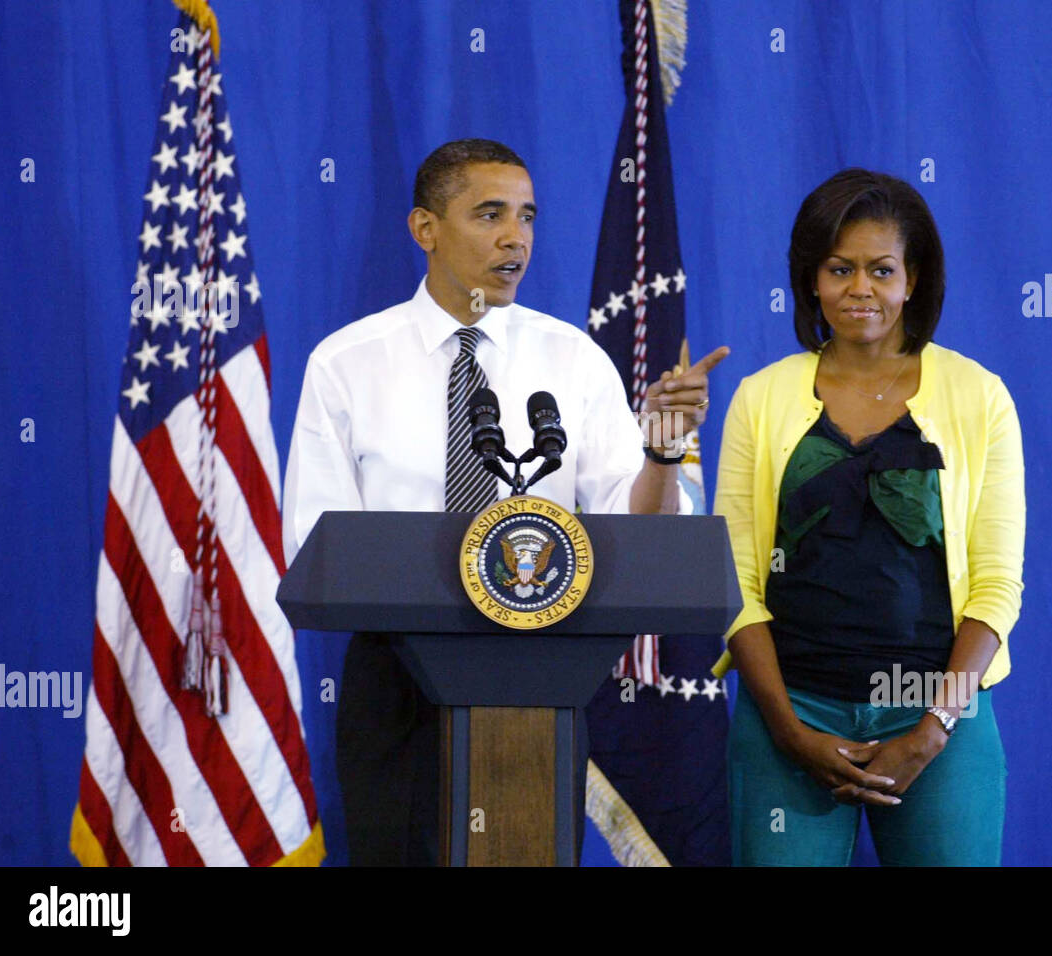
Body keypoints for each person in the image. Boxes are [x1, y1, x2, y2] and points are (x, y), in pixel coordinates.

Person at [281, 138, 728, 865]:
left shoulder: (572, 358)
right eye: (489, 214)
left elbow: (636, 533)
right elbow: (316, 545)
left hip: (540, 676)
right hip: (396, 681)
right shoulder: (347, 364)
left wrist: (662, 450)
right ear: (425, 229)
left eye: (526, 216)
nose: (515, 236)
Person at [712, 168, 1025, 866]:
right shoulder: (759, 400)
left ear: (912, 279)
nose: (860, 289)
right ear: (811, 279)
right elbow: (730, 582)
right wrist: (789, 732)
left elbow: (998, 586)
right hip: (790, 713)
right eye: (839, 268)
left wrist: (932, 728)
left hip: (937, 716)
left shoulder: (981, 397)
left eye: (881, 270)